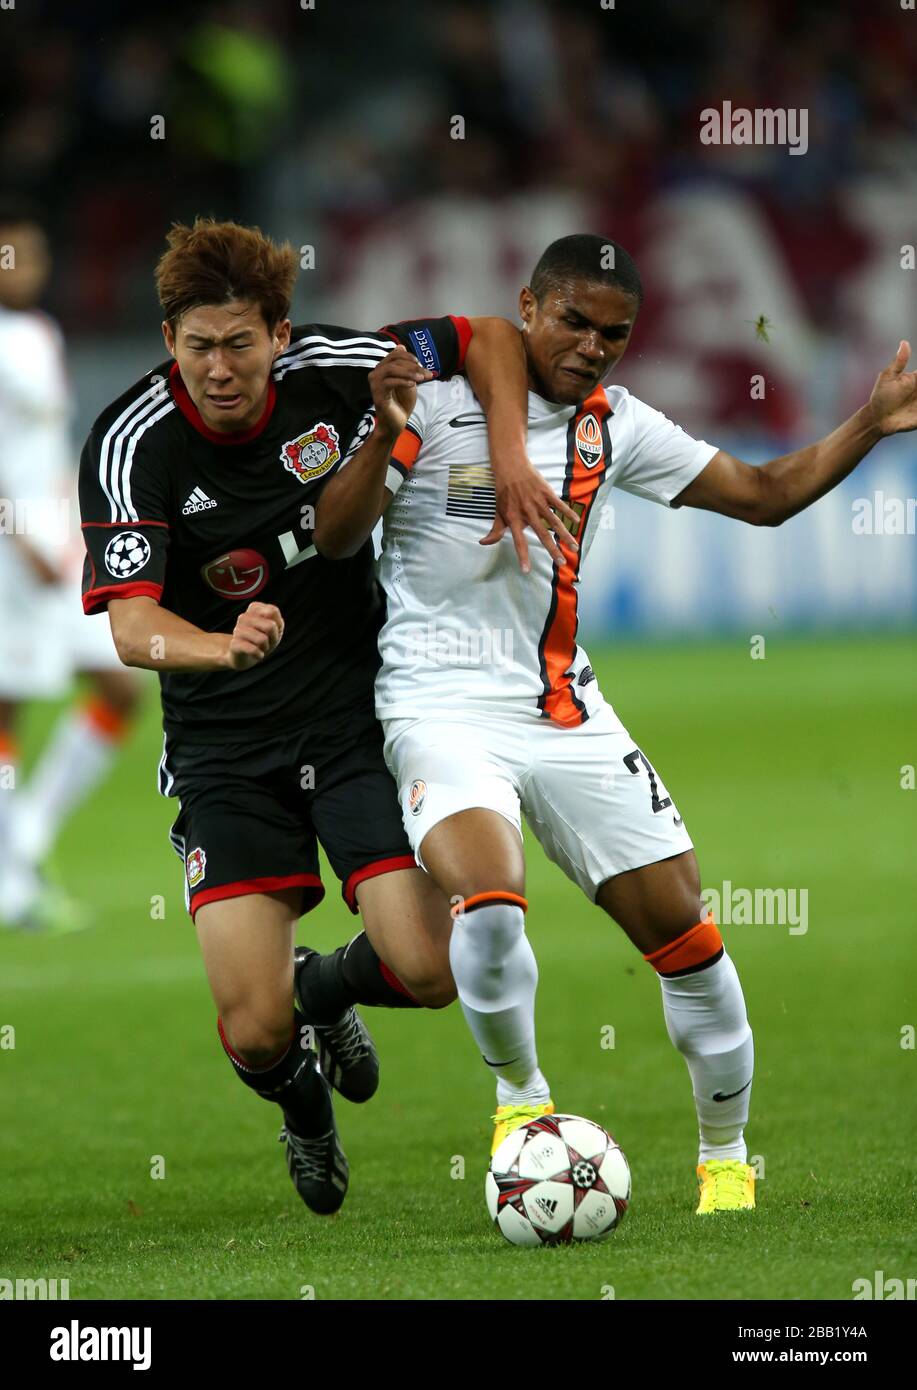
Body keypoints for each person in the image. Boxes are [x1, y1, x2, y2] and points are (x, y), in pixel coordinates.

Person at [312, 232, 917, 1216]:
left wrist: (867, 423)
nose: (591, 346)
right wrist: (379, 436)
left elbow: (762, 497)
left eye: (614, 333)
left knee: (683, 928)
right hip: (434, 702)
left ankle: (723, 1161)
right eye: (573, 322)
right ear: (528, 306)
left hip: (562, 706)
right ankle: (521, 1106)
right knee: (490, 896)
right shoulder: (431, 401)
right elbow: (336, 537)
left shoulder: (615, 426)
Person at [78, 217, 574, 1217]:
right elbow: (134, 631)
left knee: (432, 968)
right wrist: (222, 646)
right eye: (197, 345)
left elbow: (485, 337)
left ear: (279, 331)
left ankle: (325, 990)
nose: (220, 369)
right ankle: (301, 1098)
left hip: (354, 722)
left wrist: (511, 457)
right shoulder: (132, 442)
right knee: (255, 1033)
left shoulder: (338, 365)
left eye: (240, 343)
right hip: (224, 752)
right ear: (168, 339)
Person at [0, 198, 140, 933]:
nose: (26, 270)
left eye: (35, 256)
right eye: (11, 256)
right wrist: (16, 535)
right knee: (7, 706)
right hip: (8, 548)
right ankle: (11, 884)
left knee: (120, 688)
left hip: (55, 541)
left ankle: (23, 837)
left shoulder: (37, 333)